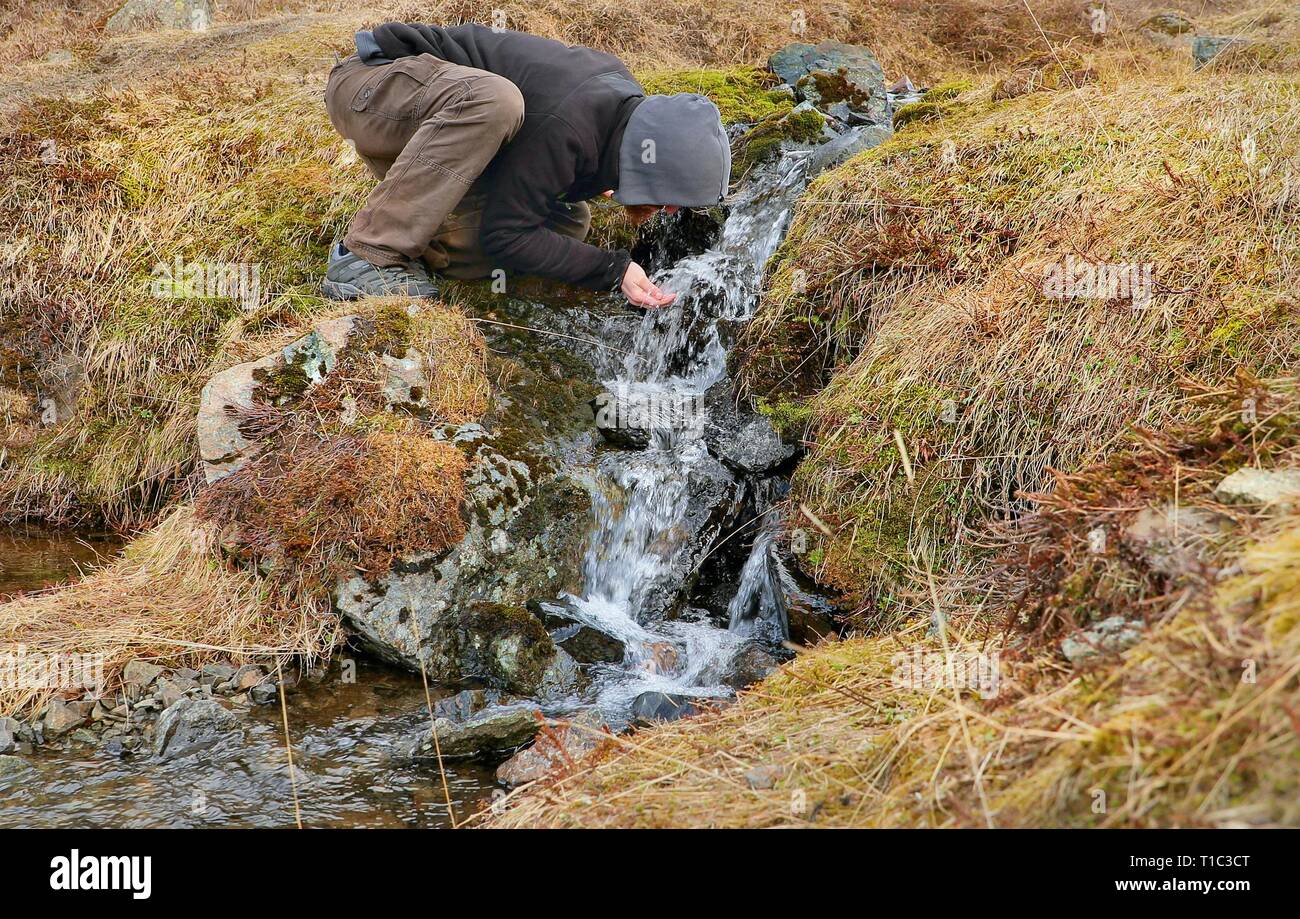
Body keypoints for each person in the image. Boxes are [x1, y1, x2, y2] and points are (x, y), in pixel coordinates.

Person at [322, 21, 731, 308]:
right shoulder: (570, 120)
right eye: (674, 196)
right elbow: (507, 234)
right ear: (655, 164)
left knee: (567, 221)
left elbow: (535, 170)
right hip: (375, 86)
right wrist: (614, 269)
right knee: (495, 101)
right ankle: (367, 254)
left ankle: (423, 248)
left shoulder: (618, 121)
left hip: (436, 119)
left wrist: (601, 177)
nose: (672, 210)